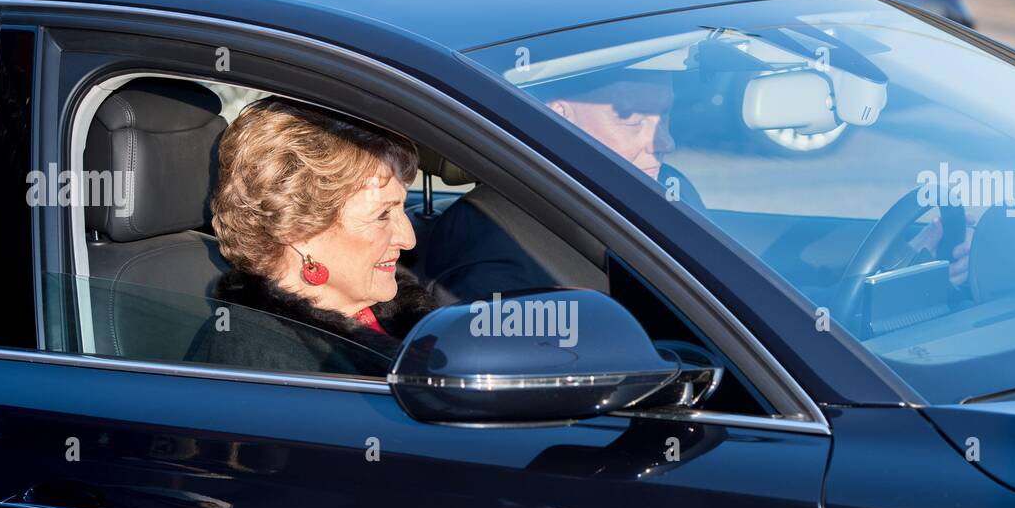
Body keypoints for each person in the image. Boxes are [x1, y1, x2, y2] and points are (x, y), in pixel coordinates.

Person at [188, 98, 436, 374]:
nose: (408, 239)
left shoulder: (392, 311)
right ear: (297, 228)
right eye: (382, 215)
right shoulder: (258, 364)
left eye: (401, 209)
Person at [422, 69, 703, 301]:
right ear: (559, 117)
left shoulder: (669, 188)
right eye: (632, 119)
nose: (666, 142)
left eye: (664, 115)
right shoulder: (491, 234)